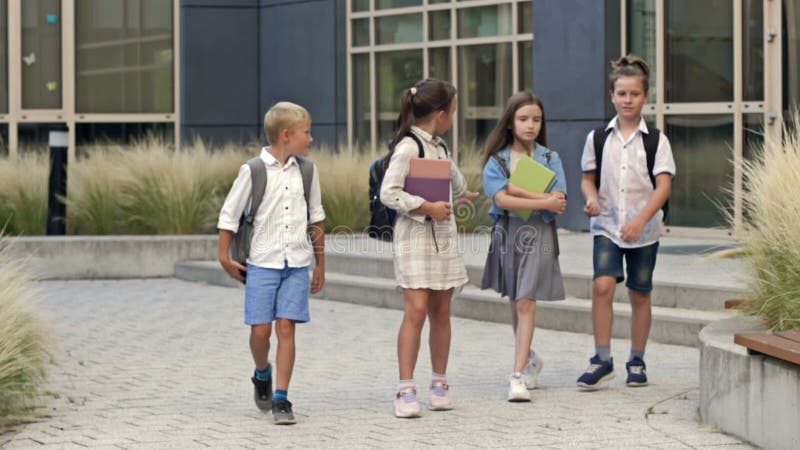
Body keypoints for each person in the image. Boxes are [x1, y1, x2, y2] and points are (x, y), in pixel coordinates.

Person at [217, 102, 326, 424]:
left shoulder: (308, 170)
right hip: (262, 263)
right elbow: (229, 216)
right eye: (307, 132)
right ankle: (261, 372)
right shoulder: (253, 170)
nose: (312, 138)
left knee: (286, 327)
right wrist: (224, 257)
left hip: (296, 263)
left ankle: (281, 398)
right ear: (286, 135)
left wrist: (320, 264)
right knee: (261, 331)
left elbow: (316, 218)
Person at [379, 78, 478, 418]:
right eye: (452, 110)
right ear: (441, 113)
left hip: (443, 237)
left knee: (442, 311)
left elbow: (457, 182)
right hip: (416, 238)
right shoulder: (408, 147)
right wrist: (426, 206)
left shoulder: (440, 146)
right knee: (417, 310)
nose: (454, 116)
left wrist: (459, 194)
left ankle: (439, 382)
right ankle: (405, 388)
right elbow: (388, 192)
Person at [577, 55, 675, 390]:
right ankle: (602, 358)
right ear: (612, 96)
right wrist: (590, 198)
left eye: (634, 94)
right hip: (606, 226)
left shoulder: (656, 141)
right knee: (602, 285)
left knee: (639, 293)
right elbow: (587, 178)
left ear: (645, 97)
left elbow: (663, 186)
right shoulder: (598, 138)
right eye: (621, 94)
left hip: (644, 231)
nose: (627, 100)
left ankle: (637, 359)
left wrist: (640, 219)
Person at [480, 91, 567, 402]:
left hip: (539, 232)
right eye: (524, 119)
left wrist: (518, 189)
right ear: (510, 122)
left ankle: (516, 375)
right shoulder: (498, 159)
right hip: (508, 232)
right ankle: (529, 357)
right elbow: (500, 199)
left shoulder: (549, 158)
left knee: (526, 301)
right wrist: (540, 197)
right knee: (516, 302)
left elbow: (559, 202)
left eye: (536, 119)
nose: (531, 125)